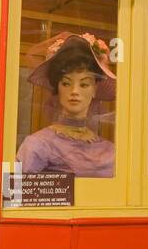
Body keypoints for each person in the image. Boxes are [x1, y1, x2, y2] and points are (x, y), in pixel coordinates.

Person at [16, 31, 116, 178]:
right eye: (66, 83)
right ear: (58, 87)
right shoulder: (39, 144)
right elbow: (13, 193)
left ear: (95, 89)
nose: (74, 91)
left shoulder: (109, 149)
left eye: (84, 84)